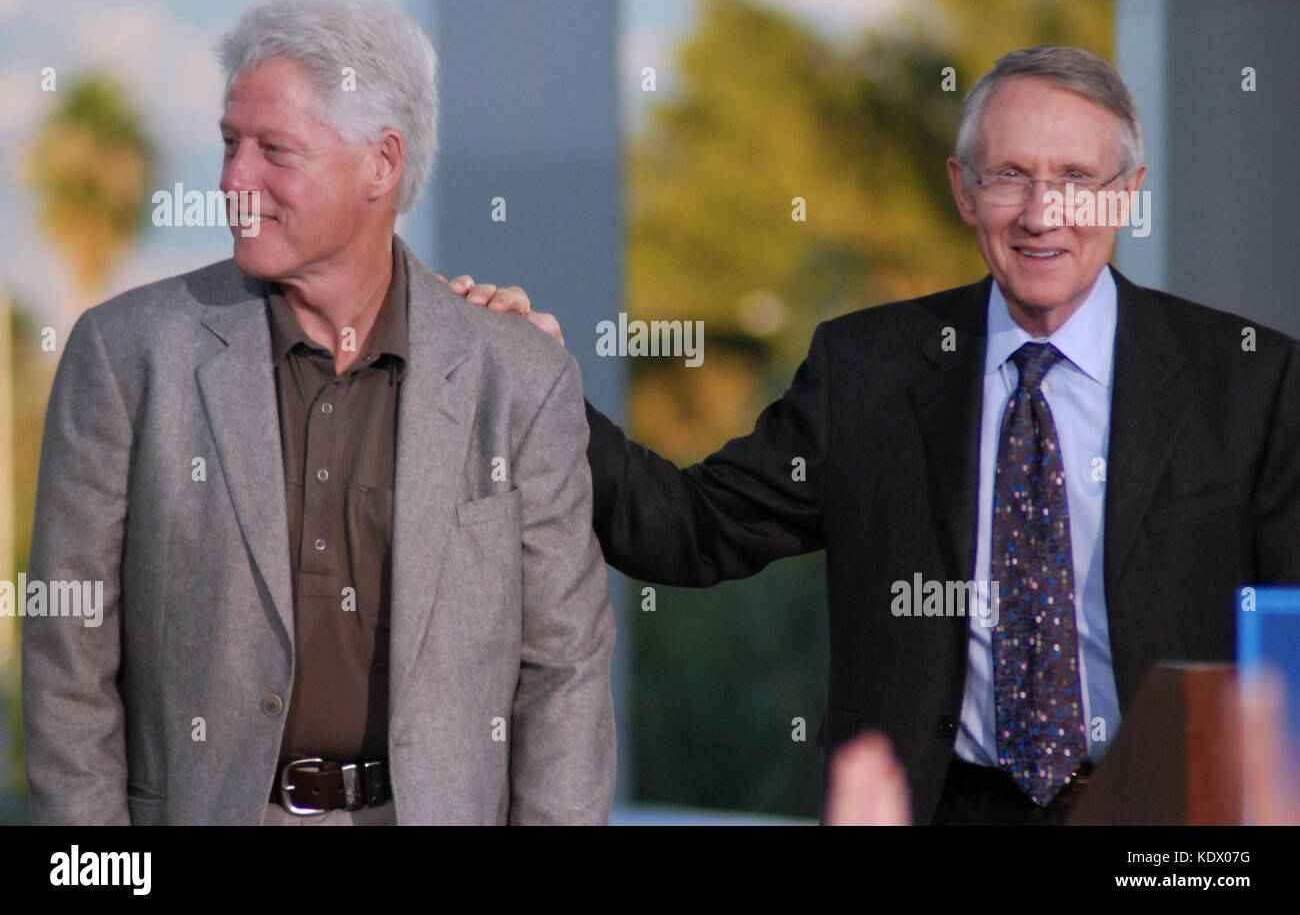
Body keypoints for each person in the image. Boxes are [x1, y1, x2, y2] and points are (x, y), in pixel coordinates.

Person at [451, 45, 1300, 825]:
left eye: (1076, 177)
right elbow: (693, 531)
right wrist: (547, 391)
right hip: (938, 807)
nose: (1043, 213)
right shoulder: (869, 370)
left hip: (1176, 820)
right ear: (963, 190)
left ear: (1126, 192)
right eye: (1009, 175)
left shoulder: (1247, 379)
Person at [22, 0, 616, 826]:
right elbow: (67, 659)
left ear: (382, 162)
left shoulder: (516, 374)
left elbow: (567, 672)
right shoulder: (128, 355)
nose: (234, 179)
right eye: (230, 144)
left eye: (276, 151)